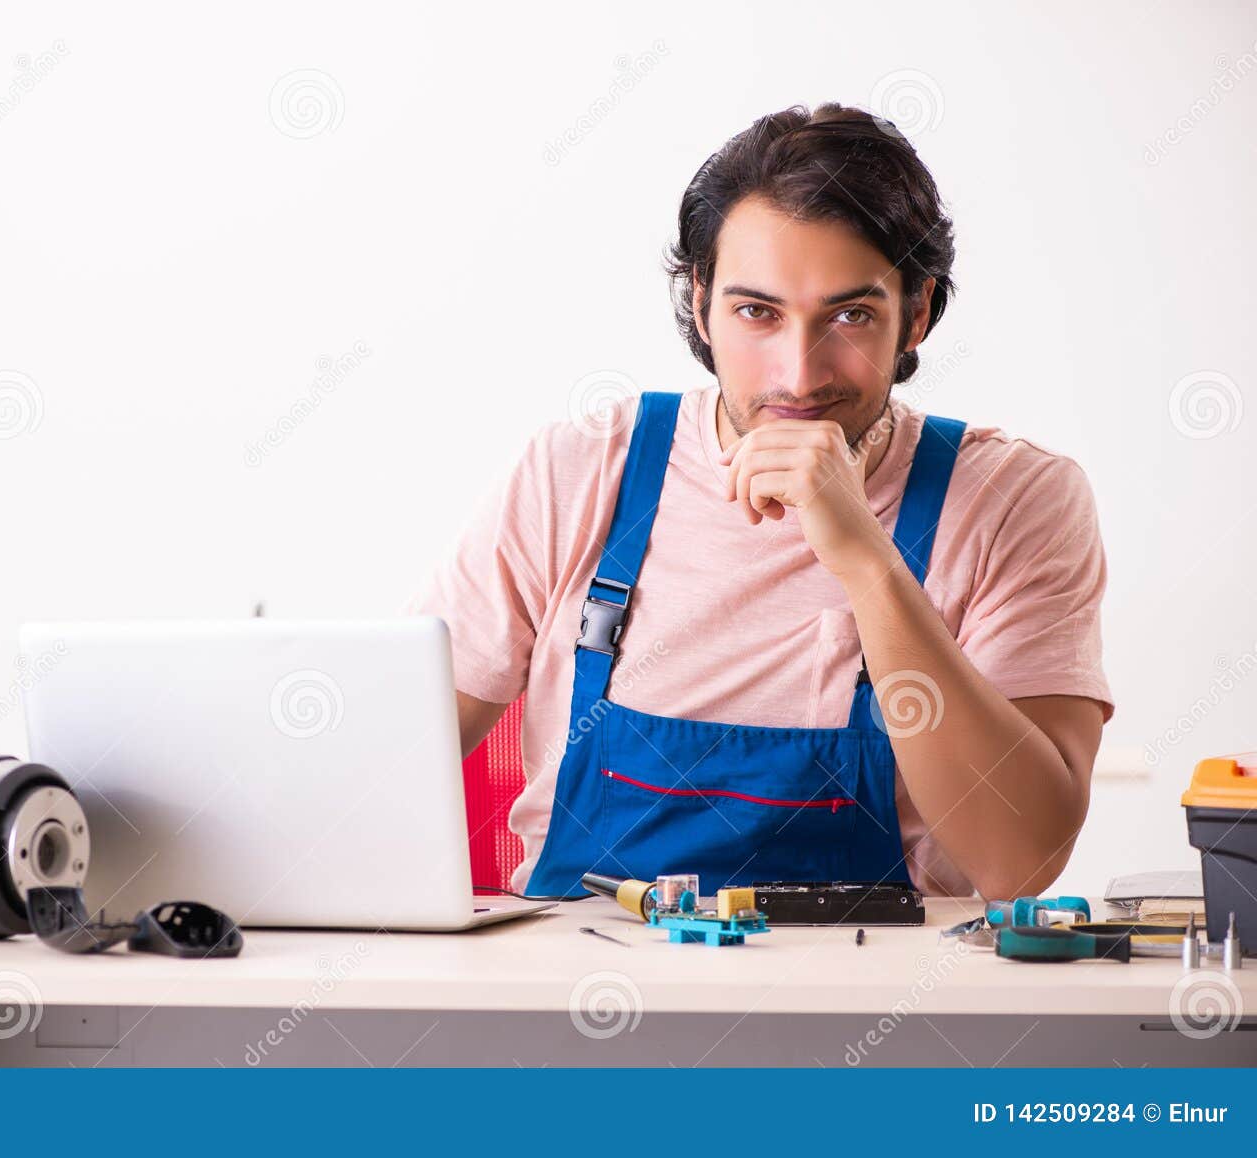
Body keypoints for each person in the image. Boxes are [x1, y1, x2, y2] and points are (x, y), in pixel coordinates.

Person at [406, 102, 1112, 899]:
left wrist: (869, 567)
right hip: (579, 986)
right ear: (701, 302)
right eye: (757, 313)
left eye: (849, 314)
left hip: (875, 1001)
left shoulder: (1014, 500)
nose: (799, 376)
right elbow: (382, 766)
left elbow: (1019, 861)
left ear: (917, 313)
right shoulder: (576, 474)